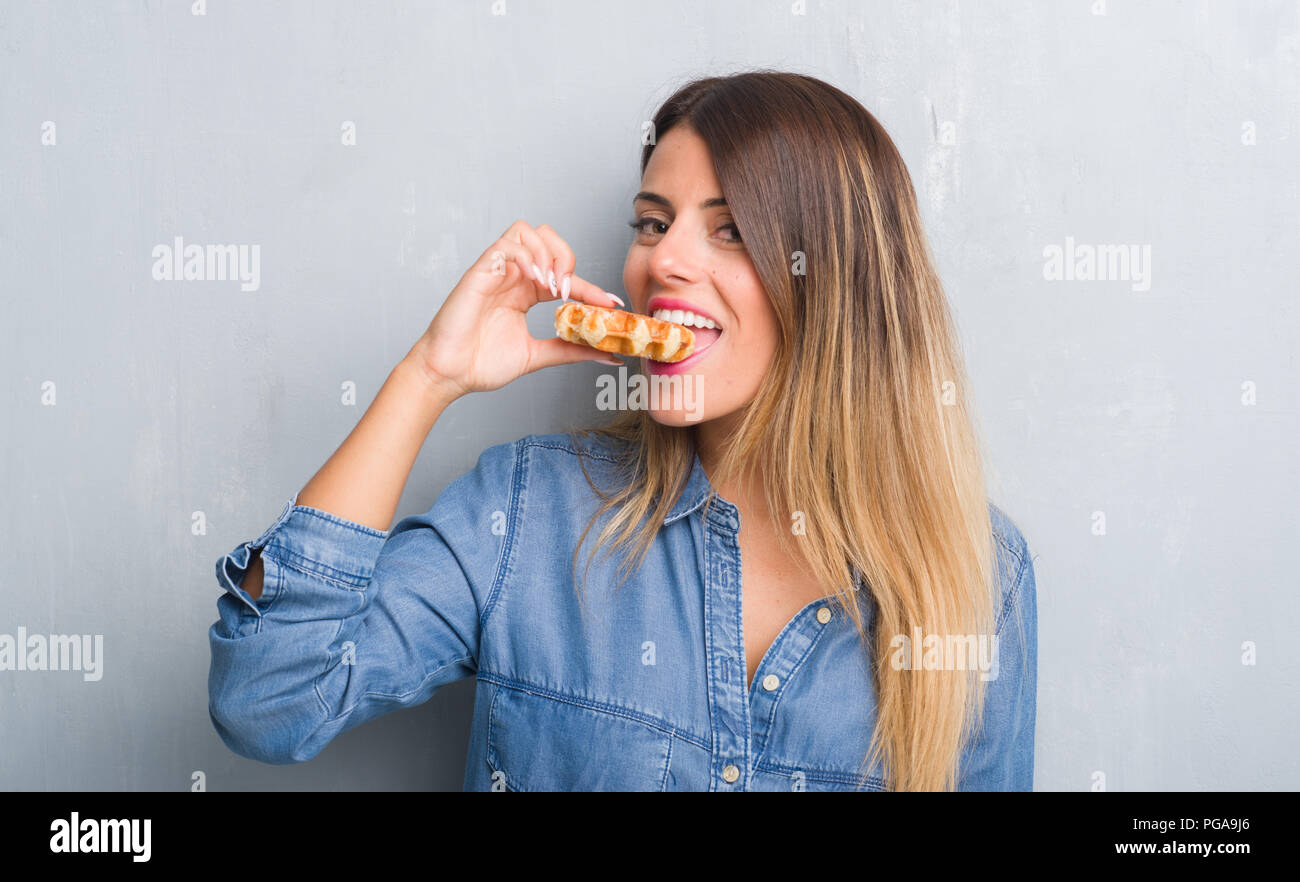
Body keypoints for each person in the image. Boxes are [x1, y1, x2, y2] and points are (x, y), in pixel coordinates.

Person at [208, 70, 1037, 791]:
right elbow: (271, 699)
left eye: (731, 229)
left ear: (834, 279)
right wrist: (431, 376)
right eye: (653, 222)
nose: (661, 261)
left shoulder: (977, 578)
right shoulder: (530, 512)